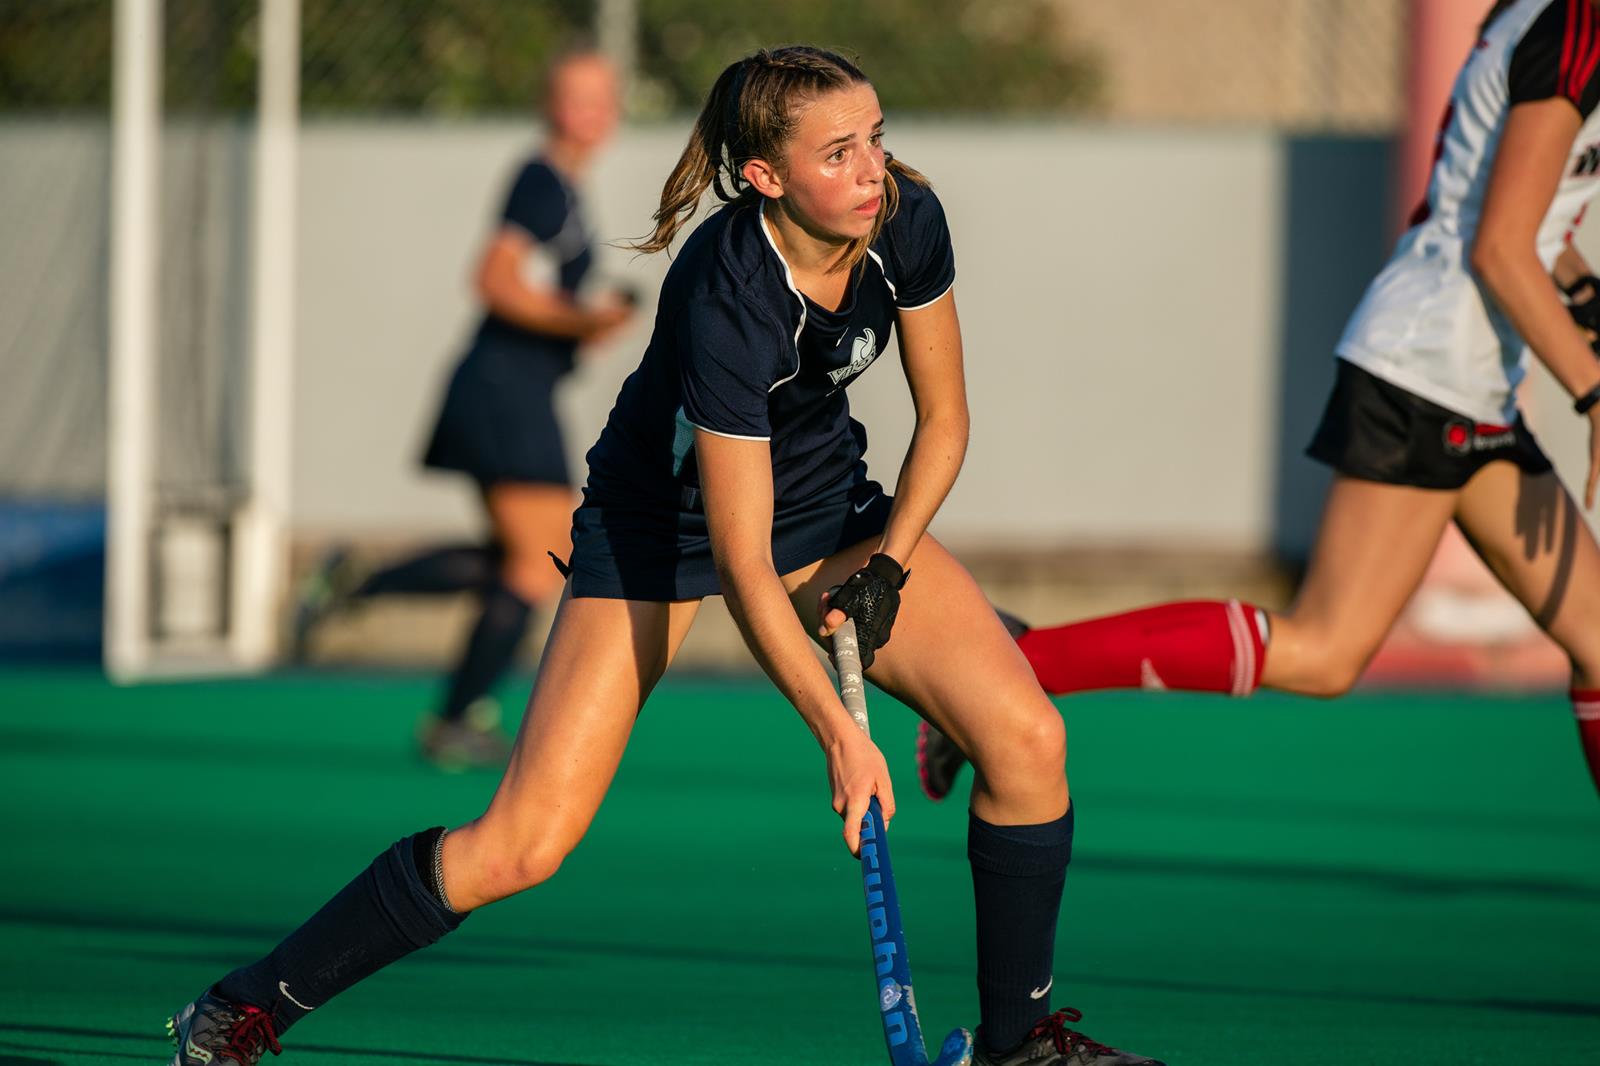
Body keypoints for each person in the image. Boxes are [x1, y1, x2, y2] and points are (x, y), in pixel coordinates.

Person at [166, 46, 1164, 1066]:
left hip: (828, 511)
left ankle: (1016, 1046)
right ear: (765, 176)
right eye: (838, 152)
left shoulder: (902, 215)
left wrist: (888, 569)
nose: (872, 169)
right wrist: (838, 732)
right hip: (662, 529)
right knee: (524, 842)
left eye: (876, 137)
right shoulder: (727, 292)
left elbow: (944, 420)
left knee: (1028, 741)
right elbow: (738, 560)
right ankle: (244, 1006)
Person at [919, 0, 1600, 806]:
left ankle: (1012, 656)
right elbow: (1498, 246)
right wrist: (1591, 391)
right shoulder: (1576, 26)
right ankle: (1010, 661)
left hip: (1463, 375)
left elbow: (1537, 226)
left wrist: (1587, 306)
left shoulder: (1540, 16)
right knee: (1324, 651)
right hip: (1430, 369)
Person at [292, 49, 635, 769]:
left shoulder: (567, 190)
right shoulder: (541, 182)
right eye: (577, 98)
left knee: (528, 557)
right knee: (543, 560)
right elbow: (493, 280)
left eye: (602, 99)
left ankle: (360, 590)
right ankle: (451, 716)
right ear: (550, 104)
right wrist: (580, 321)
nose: (591, 114)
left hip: (516, 389)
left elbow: (537, 295)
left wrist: (585, 322)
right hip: (500, 391)